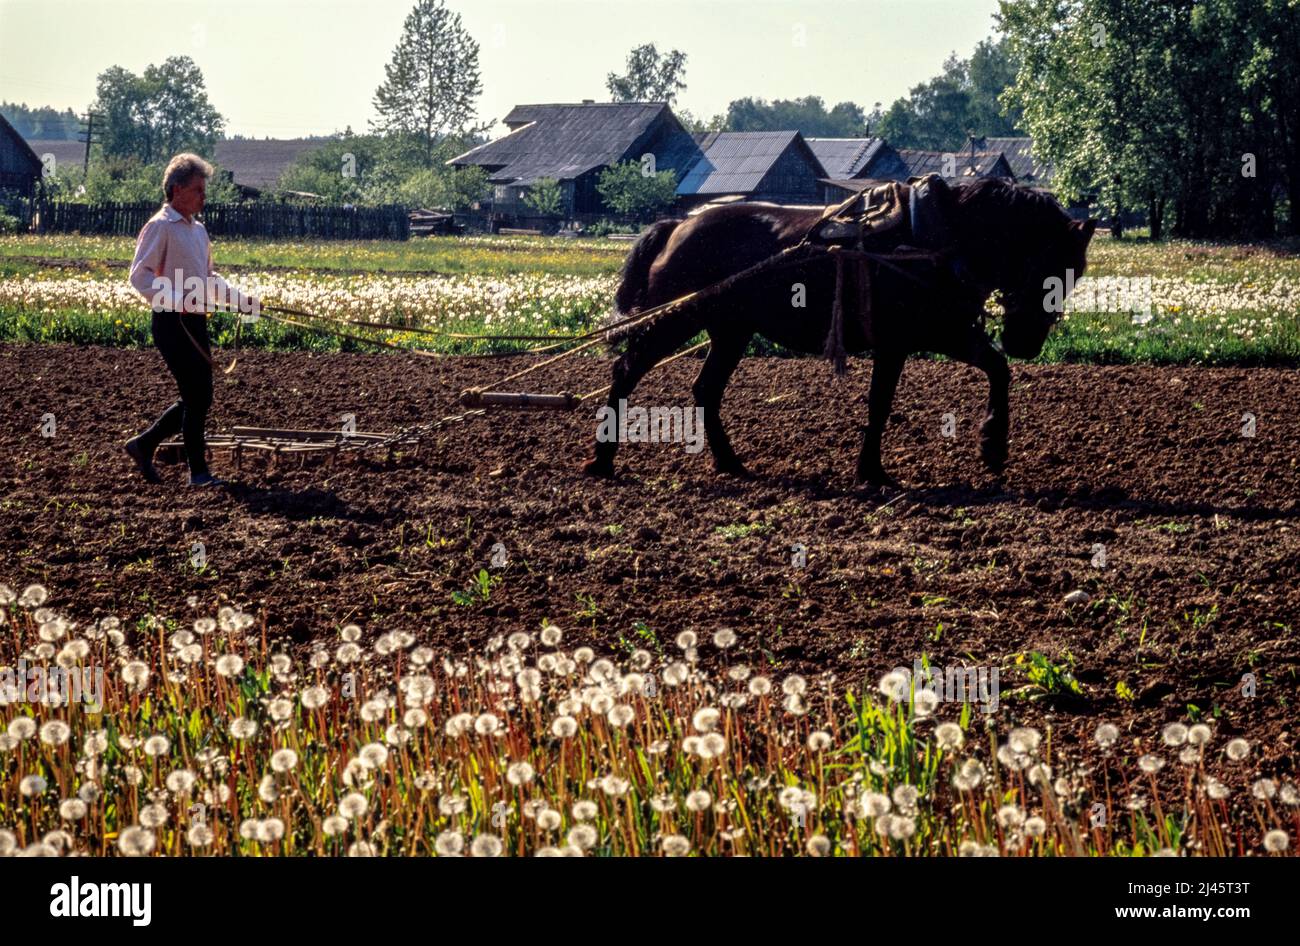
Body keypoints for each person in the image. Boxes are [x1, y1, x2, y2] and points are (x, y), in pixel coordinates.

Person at [124, 153, 259, 487]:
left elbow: (210, 279)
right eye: (198, 189)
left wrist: (243, 302)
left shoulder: (198, 232)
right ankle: (197, 473)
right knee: (198, 396)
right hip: (172, 324)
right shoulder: (159, 227)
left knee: (198, 396)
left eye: (203, 190)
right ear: (176, 189)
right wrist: (177, 300)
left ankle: (144, 445)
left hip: (195, 323)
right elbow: (139, 277)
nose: (204, 196)